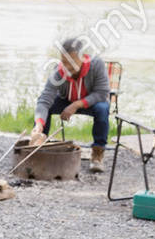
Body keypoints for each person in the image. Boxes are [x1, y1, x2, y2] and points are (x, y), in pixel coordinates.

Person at [29, 38, 112, 172]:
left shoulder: (97, 65)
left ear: (83, 58)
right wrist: (39, 122)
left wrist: (76, 105)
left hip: (91, 102)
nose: (66, 66)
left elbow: (102, 93)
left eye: (71, 62)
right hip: (66, 100)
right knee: (47, 107)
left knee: (102, 109)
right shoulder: (58, 72)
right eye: (64, 61)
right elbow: (45, 99)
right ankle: (38, 145)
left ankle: (97, 153)